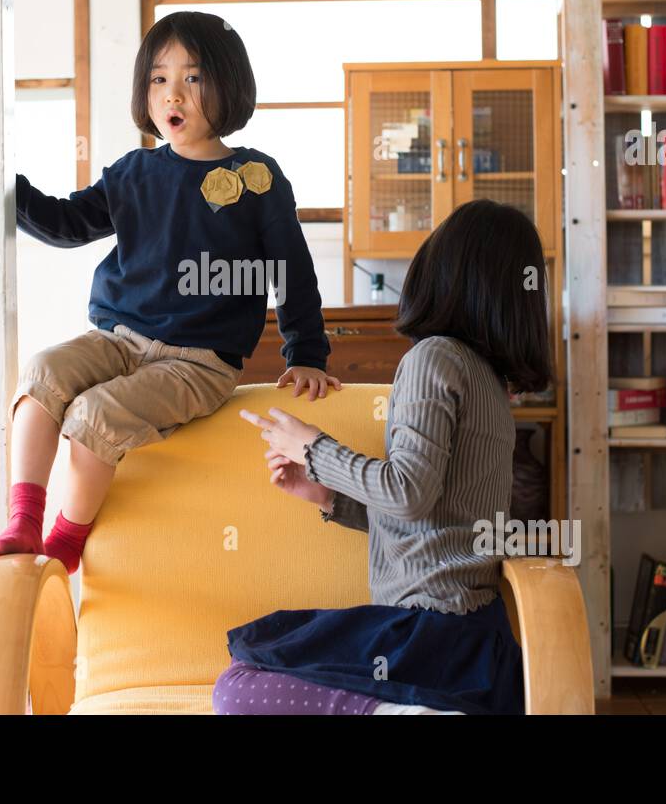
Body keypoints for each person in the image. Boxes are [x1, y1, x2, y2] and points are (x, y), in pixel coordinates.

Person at [0, 10, 342, 574]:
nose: (173, 91)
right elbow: (67, 224)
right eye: (158, 77)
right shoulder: (133, 172)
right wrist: (4, 182)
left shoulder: (258, 178)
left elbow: (291, 269)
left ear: (229, 84)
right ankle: (23, 520)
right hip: (119, 339)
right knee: (43, 373)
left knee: (96, 414)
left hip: (198, 363)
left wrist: (309, 355)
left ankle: (66, 542)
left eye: (193, 78)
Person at [225, 199, 552, 714]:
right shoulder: (491, 386)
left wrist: (313, 447)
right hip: (473, 642)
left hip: (424, 632)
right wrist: (330, 495)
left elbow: (408, 492)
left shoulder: (434, 357)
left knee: (238, 684)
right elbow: (439, 520)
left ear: (444, 270)